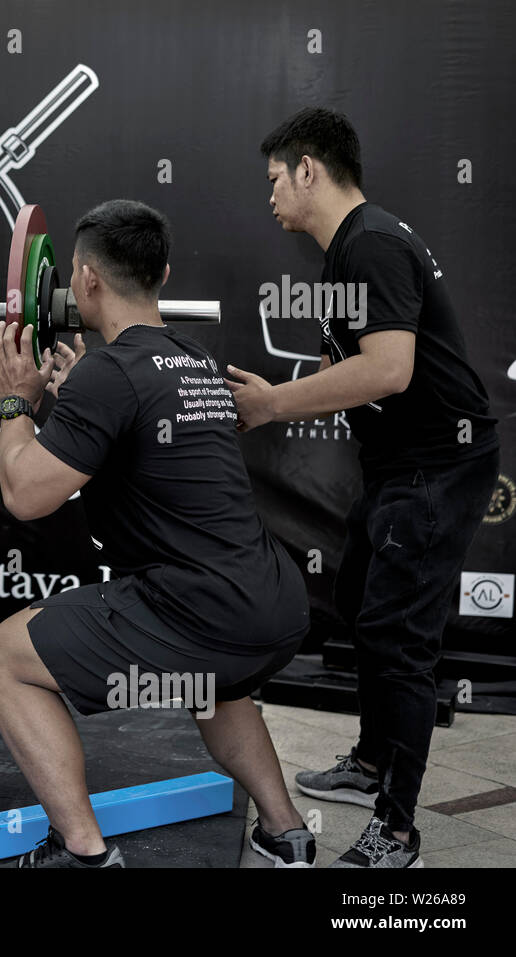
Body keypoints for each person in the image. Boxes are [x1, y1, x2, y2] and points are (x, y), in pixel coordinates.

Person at [0, 199, 313, 868]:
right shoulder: (190, 356)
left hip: (200, 614)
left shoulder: (110, 374)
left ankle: (84, 853)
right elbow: (134, 441)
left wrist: (16, 400)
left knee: (4, 655)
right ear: (162, 272)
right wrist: (73, 404)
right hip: (273, 608)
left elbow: (24, 494)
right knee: (213, 681)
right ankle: (287, 834)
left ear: (86, 280)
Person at [229, 107, 500, 868]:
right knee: (358, 603)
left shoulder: (372, 243)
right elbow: (346, 369)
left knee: (399, 636)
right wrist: (263, 397)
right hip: (401, 461)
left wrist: (273, 405)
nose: (271, 195)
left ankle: (398, 826)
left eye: (276, 178)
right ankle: (373, 758)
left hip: (439, 466)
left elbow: (389, 369)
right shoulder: (350, 249)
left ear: (308, 168)